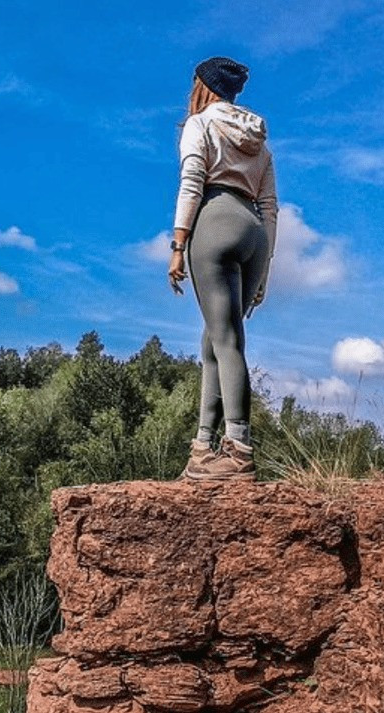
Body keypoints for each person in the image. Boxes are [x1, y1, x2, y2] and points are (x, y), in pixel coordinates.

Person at [168, 57, 277, 481]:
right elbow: (270, 207)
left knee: (226, 341)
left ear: (203, 87)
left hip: (215, 223)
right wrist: (264, 267)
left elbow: (192, 182)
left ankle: (238, 449)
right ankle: (203, 448)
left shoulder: (201, 125)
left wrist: (178, 245)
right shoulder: (260, 143)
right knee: (215, 340)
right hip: (254, 233)